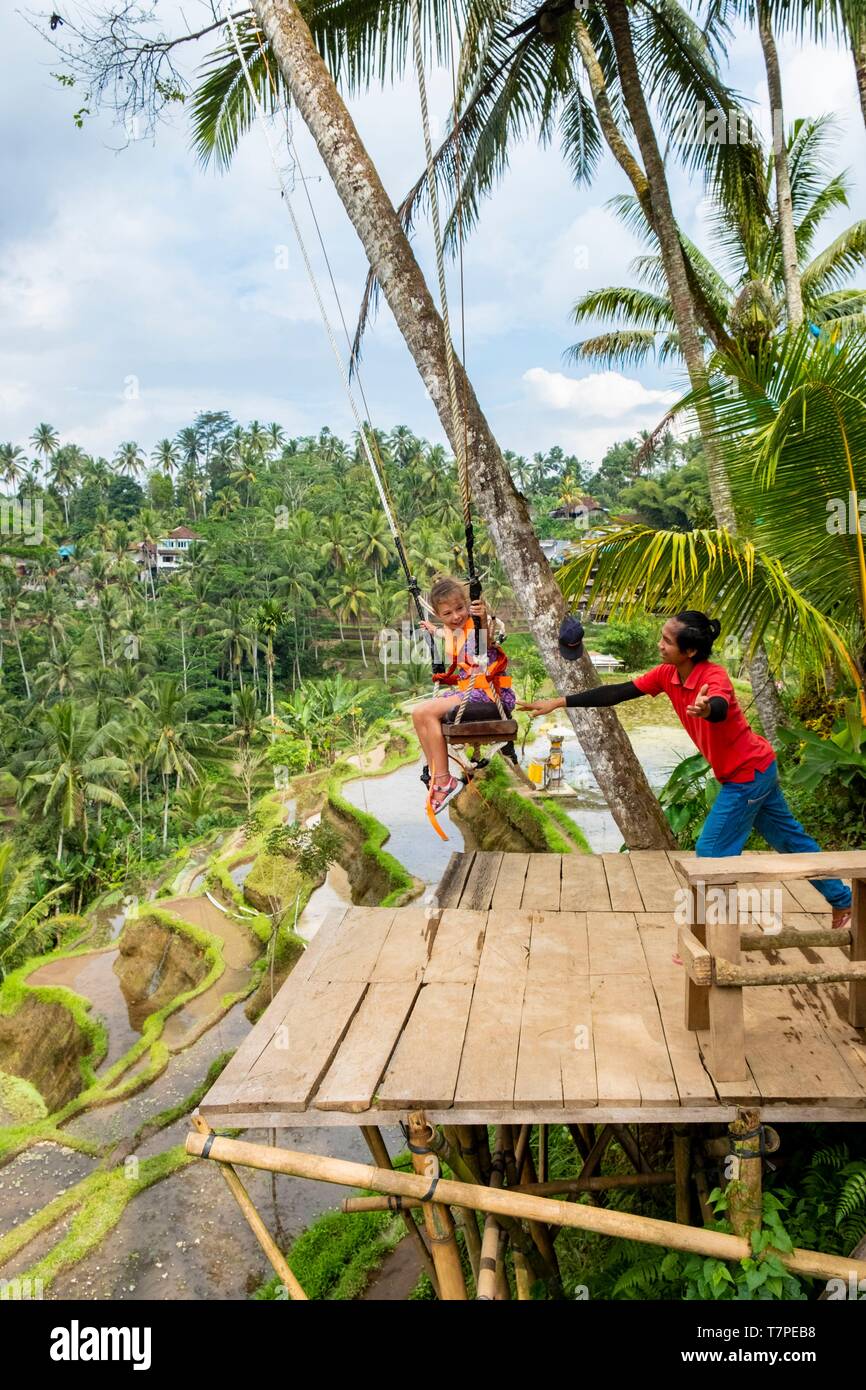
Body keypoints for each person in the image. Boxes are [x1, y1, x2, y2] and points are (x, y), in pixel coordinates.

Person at [519, 611, 853, 929]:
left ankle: (713, 935)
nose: (660, 644)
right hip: (756, 769)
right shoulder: (667, 674)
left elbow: (720, 706)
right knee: (790, 840)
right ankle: (844, 901)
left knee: (710, 854)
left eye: (667, 640)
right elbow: (619, 692)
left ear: (690, 650)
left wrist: (707, 708)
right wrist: (560, 702)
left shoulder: (714, 677)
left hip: (748, 776)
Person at [412, 576, 515, 813]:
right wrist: (434, 630)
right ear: (439, 616)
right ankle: (434, 770)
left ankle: (444, 779)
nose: (456, 616)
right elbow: (446, 634)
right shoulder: (452, 629)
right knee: (417, 715)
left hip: (488, 695)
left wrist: (482, 617)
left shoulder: (478, 625)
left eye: (460, 608)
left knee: (426, 712)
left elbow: (484, 637)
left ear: (468, 605)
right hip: (469, 691)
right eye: (447, 614)